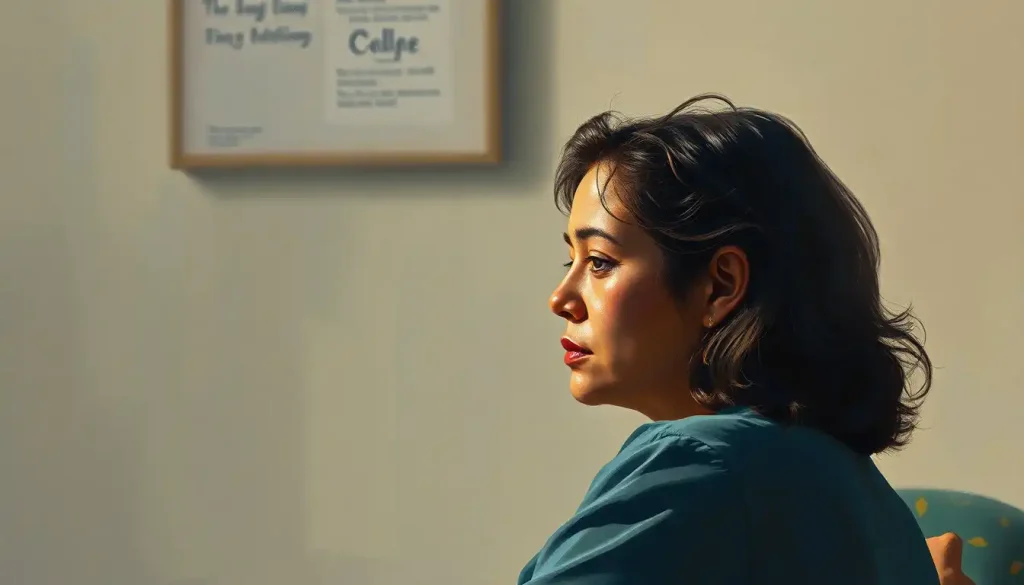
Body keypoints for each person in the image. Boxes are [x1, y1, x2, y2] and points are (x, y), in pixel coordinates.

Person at [517, 95, 940, 584]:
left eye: (599, 262)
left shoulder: (697, 466)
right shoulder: (868, 499)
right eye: (570, 260)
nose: (561, 298)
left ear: (720, 285)